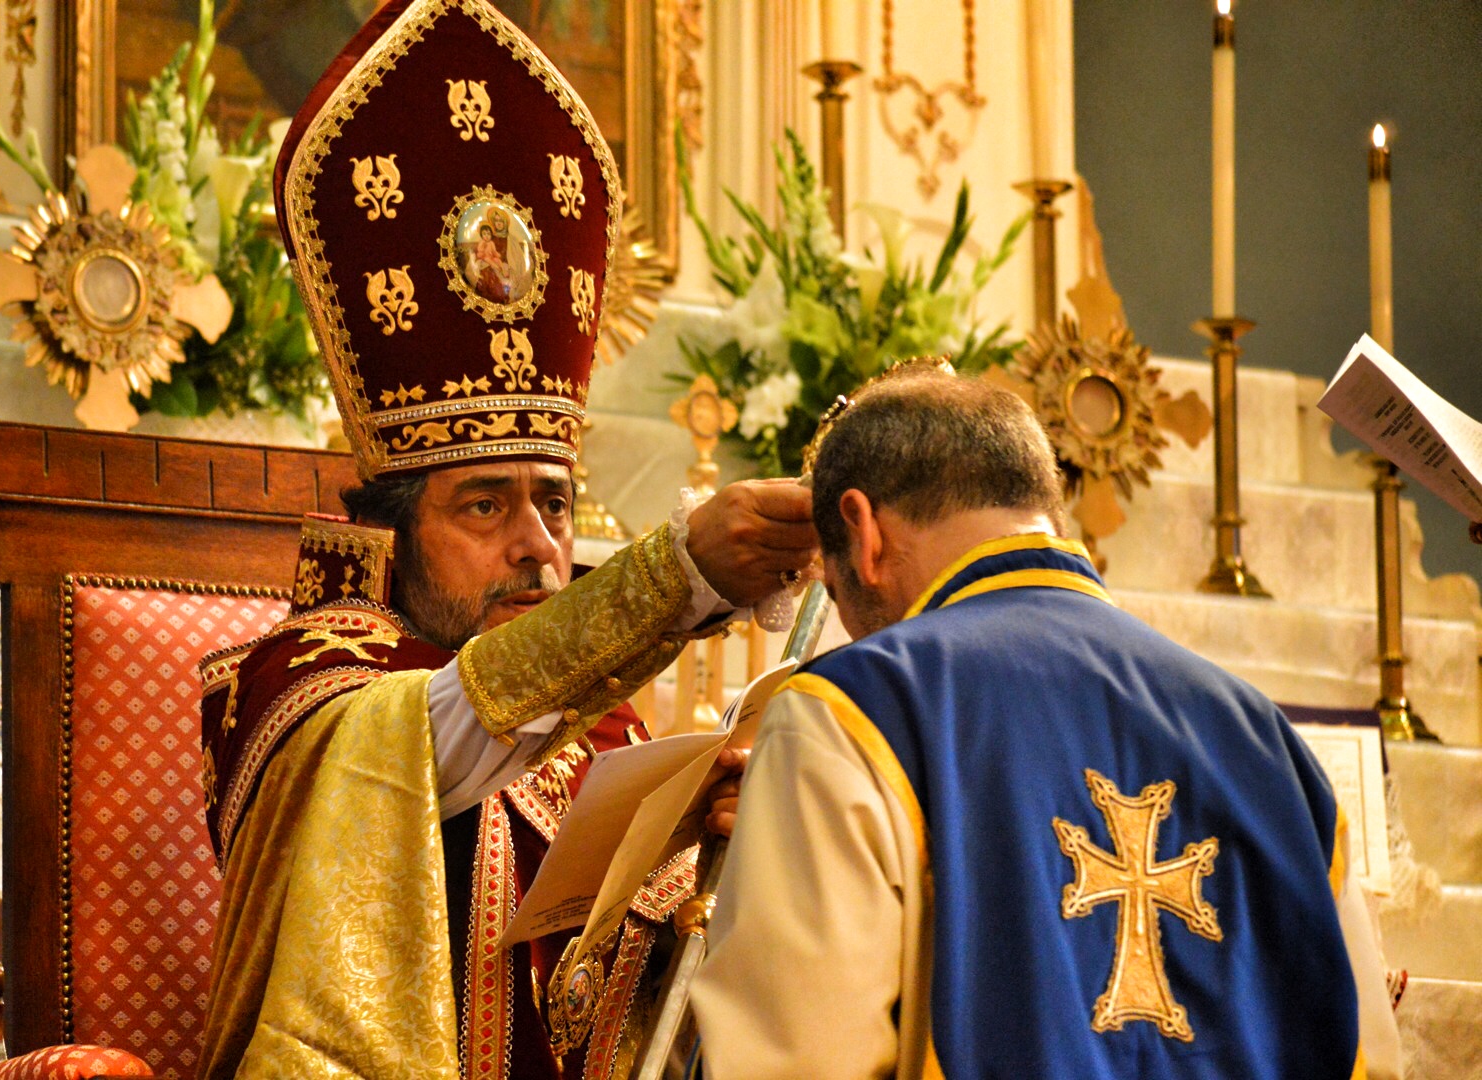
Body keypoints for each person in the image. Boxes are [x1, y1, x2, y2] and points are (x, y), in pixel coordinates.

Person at [195, 3, 815, 1075]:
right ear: (391, 531)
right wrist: (676, 578)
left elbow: (650, 1001)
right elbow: (446, 729)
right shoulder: (299, 689)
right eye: (485, 506)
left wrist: (711, 846)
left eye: (555, 504)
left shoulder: (601, 722)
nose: (538, 546)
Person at [691, 364, 1402, 1080]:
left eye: (834, 584)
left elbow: (793, 1061)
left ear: (863, 530)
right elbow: (1372, 1057)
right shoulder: (1268, 742)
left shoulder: (850, 712)